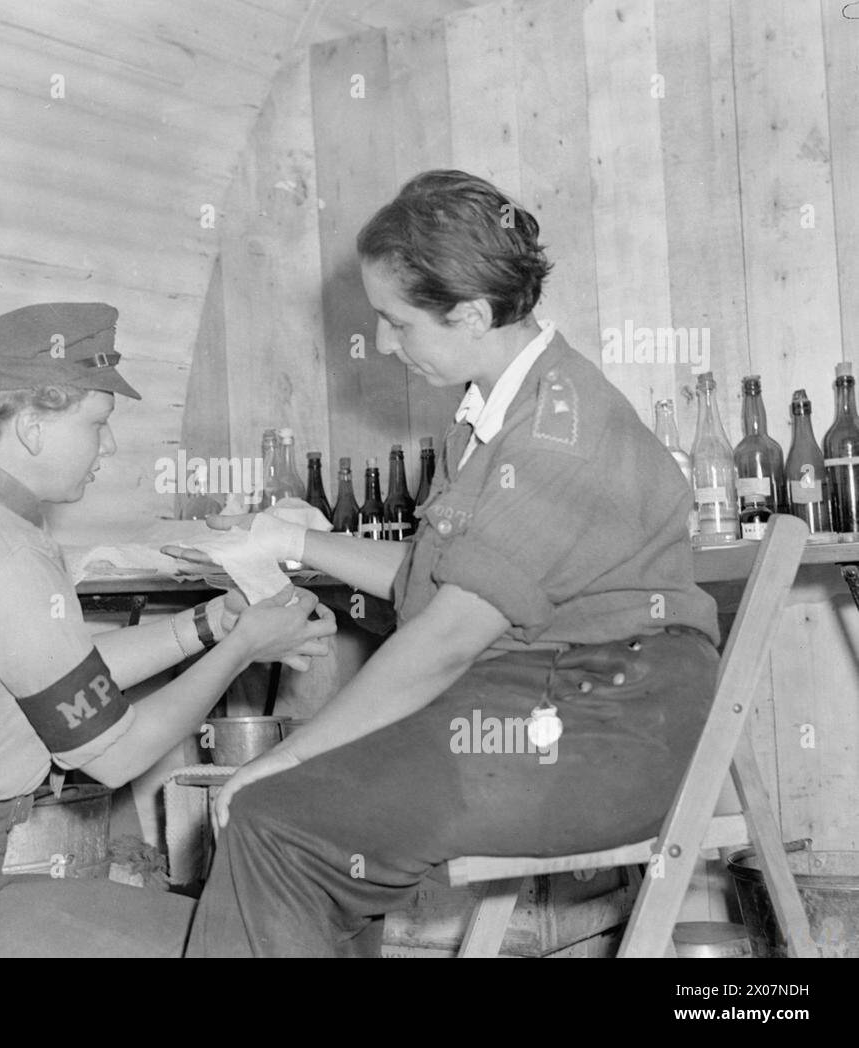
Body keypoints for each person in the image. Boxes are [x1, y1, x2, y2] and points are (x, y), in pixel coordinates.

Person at [180, 170, 722, 957]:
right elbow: (436, 581)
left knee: (275, 814)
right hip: (542, 699)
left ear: (469, 312)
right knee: (301, 814)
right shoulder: (502, 410)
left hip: (604, 726)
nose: (386, 345)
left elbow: (445, 639)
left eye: (397, 323)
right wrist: (288, 543)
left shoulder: (551, 437)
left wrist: (283, 759)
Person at [0, 302, 336, 957]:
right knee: (226, 946)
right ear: (35, 424)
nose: (110, 445)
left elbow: (55, 672)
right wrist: (244, 649)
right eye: (98, 423)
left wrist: (211, 624)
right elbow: (118, 753)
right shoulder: (1, 552)